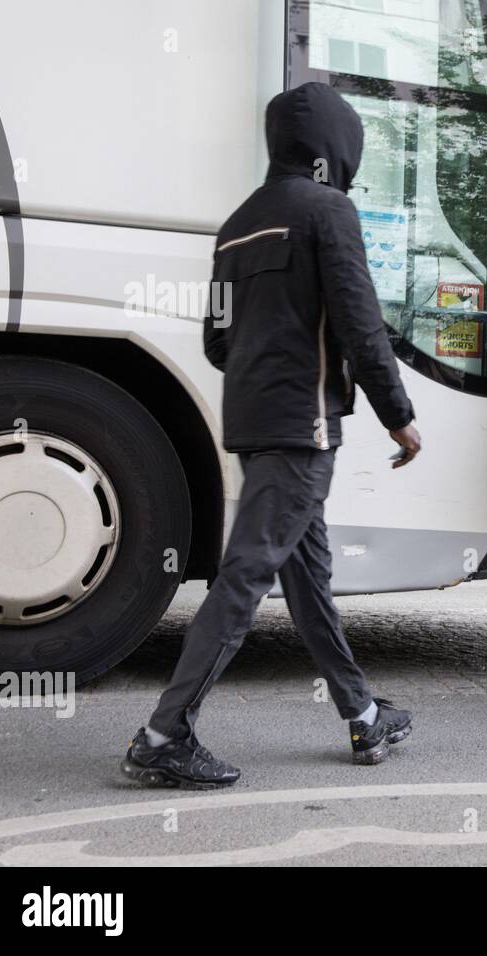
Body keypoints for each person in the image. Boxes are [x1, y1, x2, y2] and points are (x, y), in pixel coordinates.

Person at [121, 83, 422, 789]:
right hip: (304, 426)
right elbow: (359, 323)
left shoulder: (238, 224)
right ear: (337, 145)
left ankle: (362, 714)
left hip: (254, 424)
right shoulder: (329, 211)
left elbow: (218, 341)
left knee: (307, 579)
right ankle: (164, 734)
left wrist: (268, 358)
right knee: (248, 575)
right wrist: (398, 415)